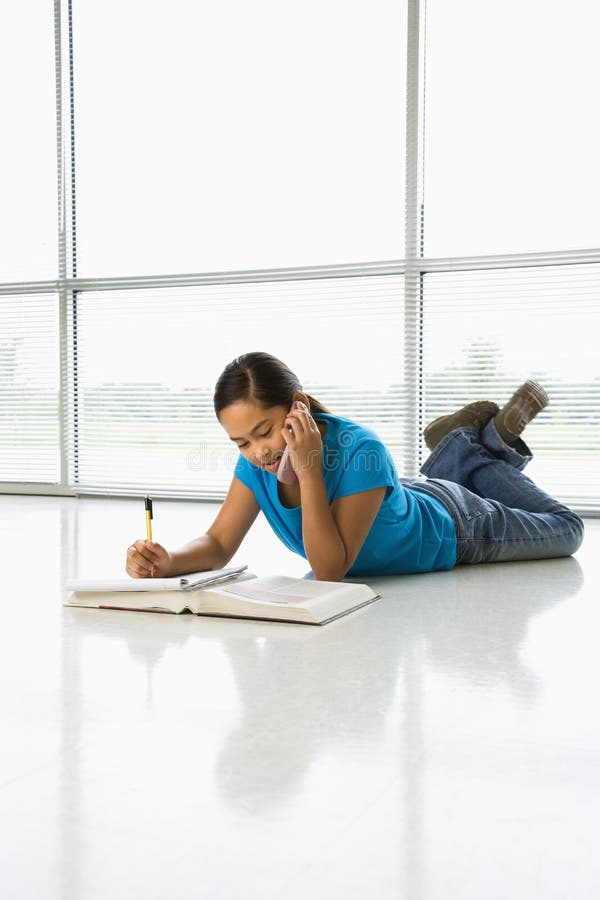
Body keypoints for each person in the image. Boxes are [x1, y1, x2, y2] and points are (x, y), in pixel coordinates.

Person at [125, 352, 584, 582]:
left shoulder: (362, 447)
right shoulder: (259, 463)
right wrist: (169, 561)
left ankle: (466, 448)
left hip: (458, 526)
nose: (257, 452)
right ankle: (458, 450)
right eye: (241, 442)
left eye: (264, 432)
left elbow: (330, 571)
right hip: (398, 499)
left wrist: (309, 470)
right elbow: (218, 543)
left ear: (298, 406)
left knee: (567, 529)